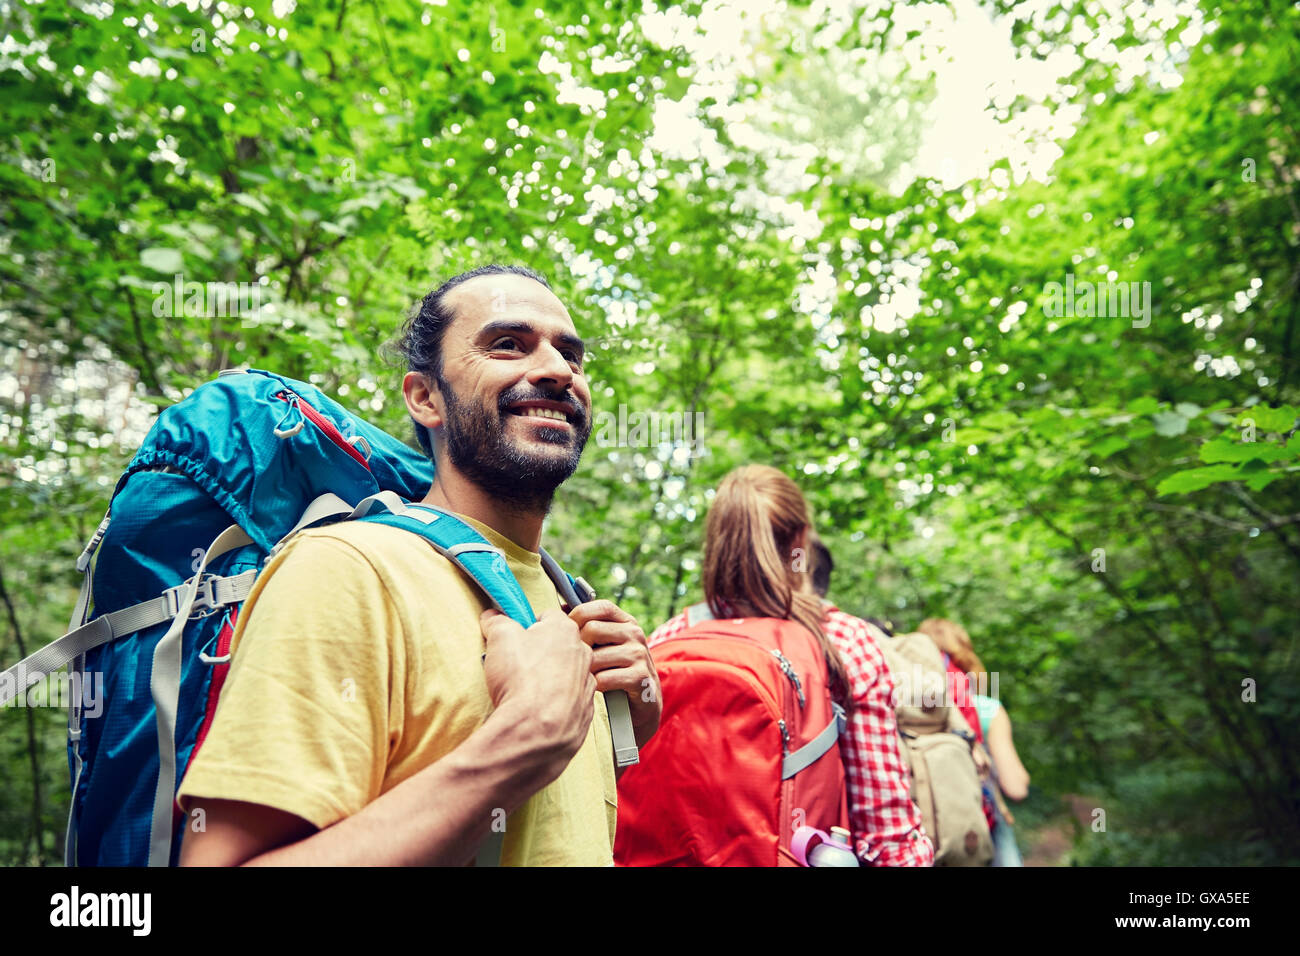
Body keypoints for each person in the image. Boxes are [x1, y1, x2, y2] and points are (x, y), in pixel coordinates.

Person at [176, 264, 661, 866]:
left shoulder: (568, 604)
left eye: (570, 354)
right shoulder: (349, 571)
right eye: (507, 344)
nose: (558, 370)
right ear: (425, 397)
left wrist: (624, 730)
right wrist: (521, 742)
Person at [647, 468, 934, 866]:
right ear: (801, 541)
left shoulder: (664, 639)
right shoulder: (843, 640)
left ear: (715, 544)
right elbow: (887, 834)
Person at [919, 617, 1029, 867]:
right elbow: (1016, 788)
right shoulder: (987, 709)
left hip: (925, 831)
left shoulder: (912, 708)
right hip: (979, 824)